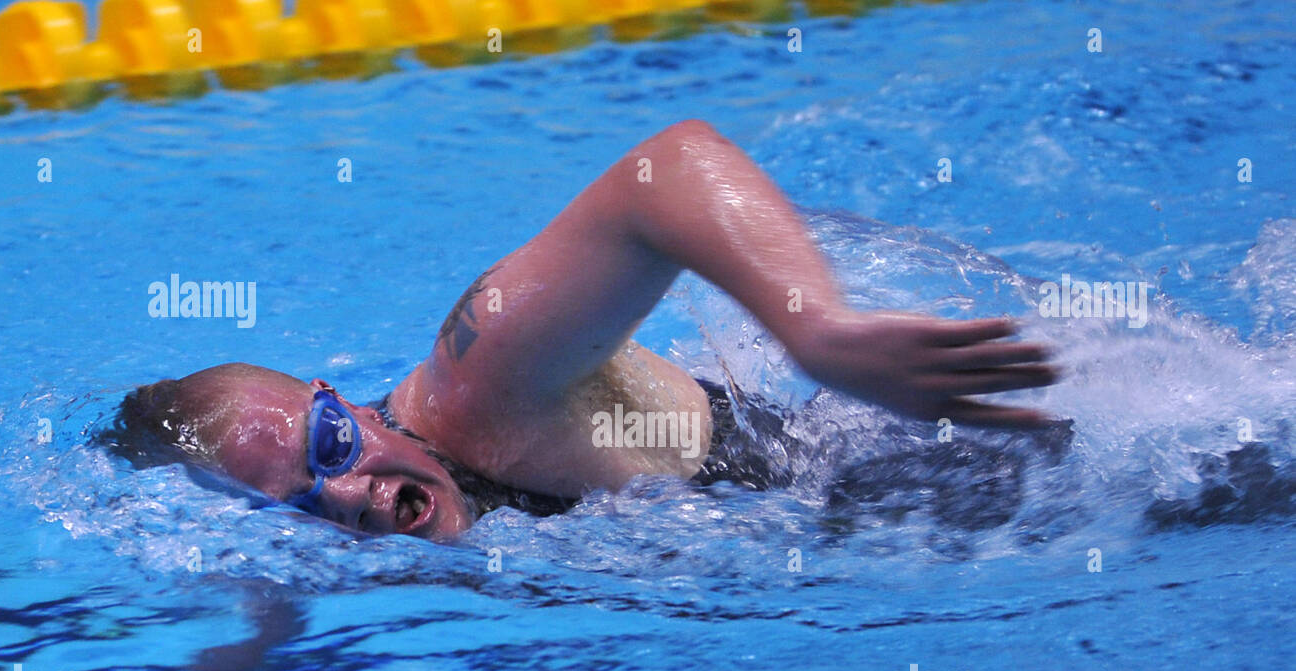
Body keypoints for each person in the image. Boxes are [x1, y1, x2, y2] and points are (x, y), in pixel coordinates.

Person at [111, 121, 1060, 541]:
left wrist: (821, 333)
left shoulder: (475, 390)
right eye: (302, 508)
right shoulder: (369, 541)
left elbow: (672, 168)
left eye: (331, 446)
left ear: (341, 401)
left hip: (949, 471)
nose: (352, 496)